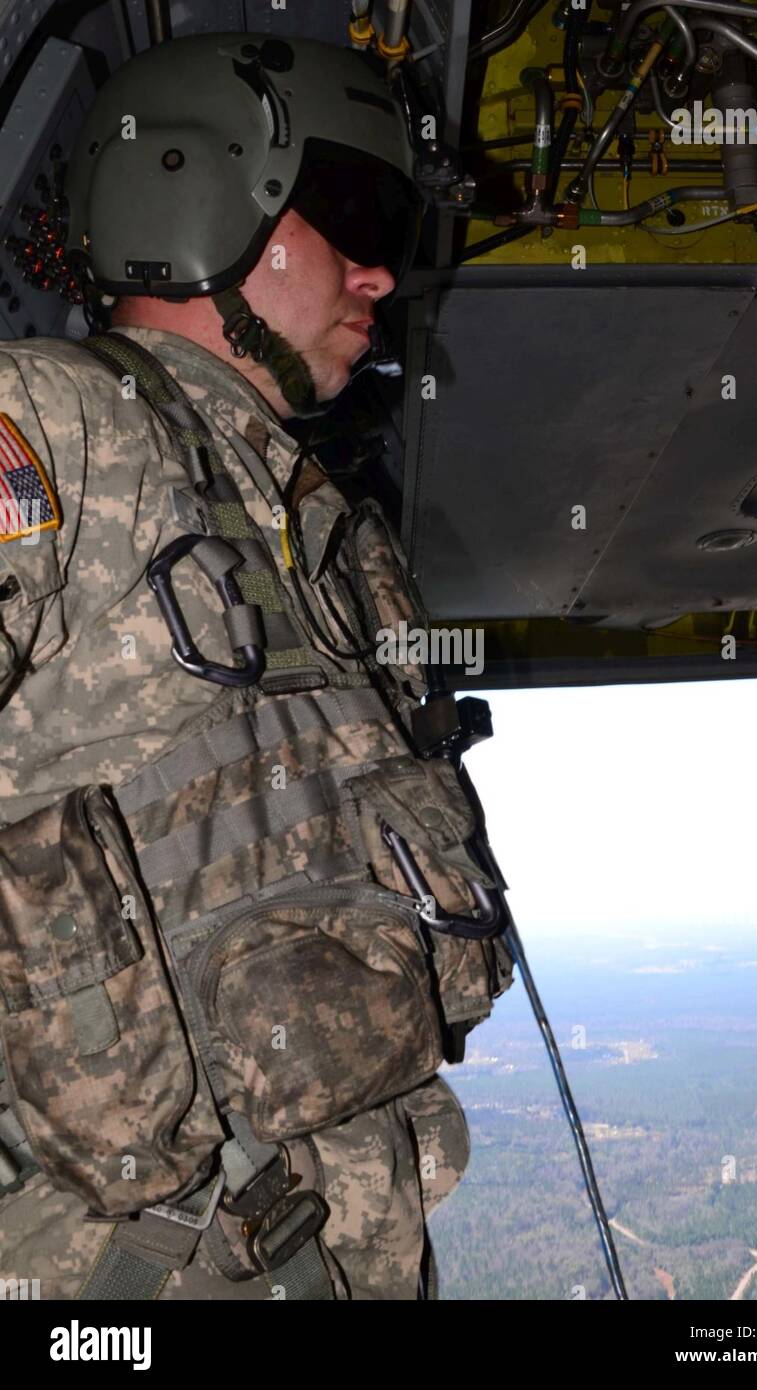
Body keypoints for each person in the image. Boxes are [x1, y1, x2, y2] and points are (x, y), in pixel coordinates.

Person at [0, 32, 513, 1301]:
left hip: (342, 1246)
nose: (382, 271)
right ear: (201, 199)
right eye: (347, 216)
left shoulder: (323, 527)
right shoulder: (52, 427)